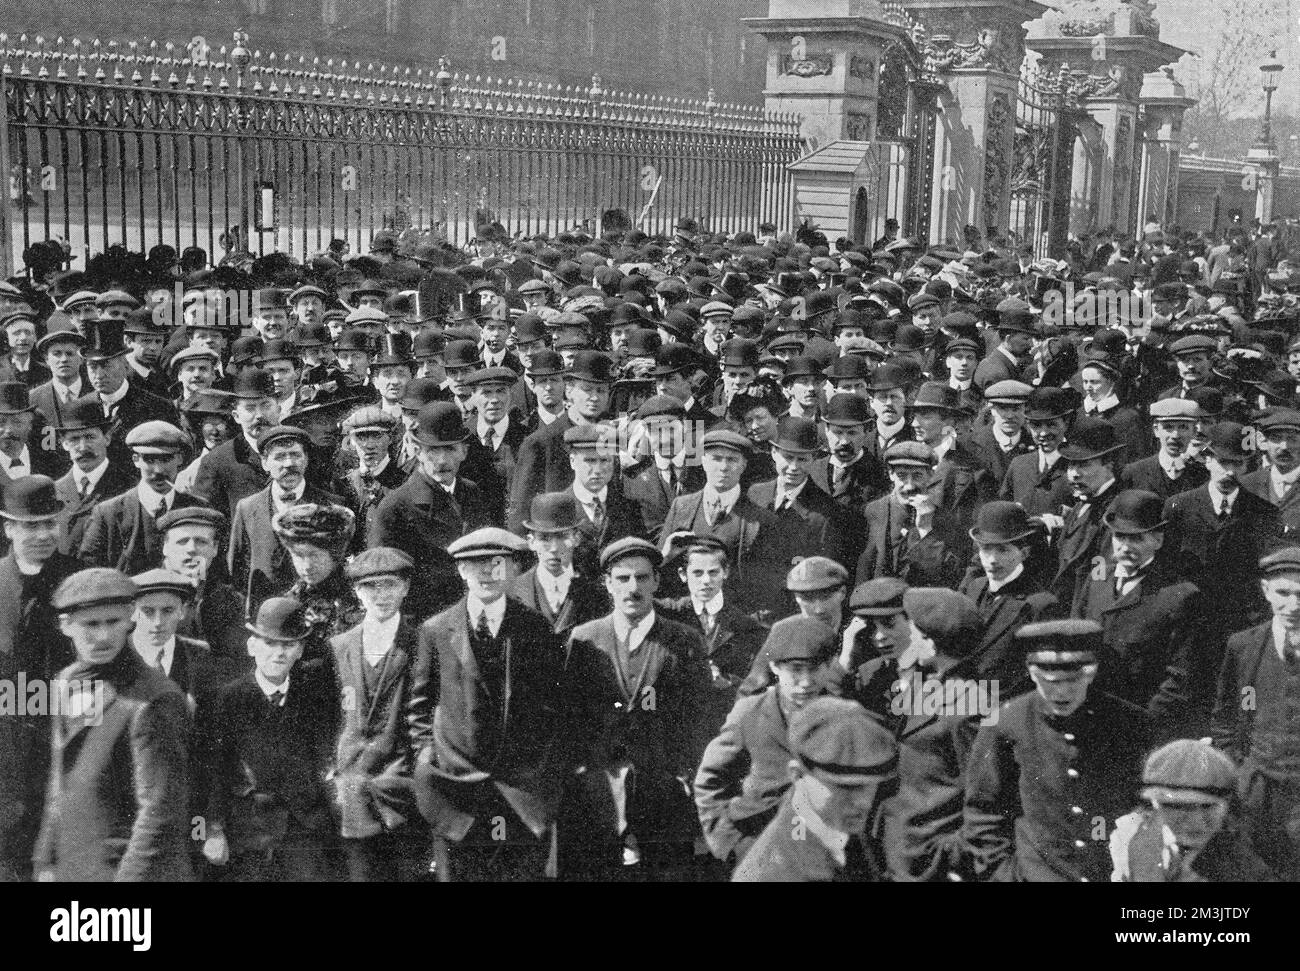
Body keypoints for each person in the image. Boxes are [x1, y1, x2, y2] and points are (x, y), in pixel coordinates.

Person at [410, 528, 569, 881]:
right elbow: (420, 703)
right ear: (461, 571)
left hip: (520, 784)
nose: (486, 573)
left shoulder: (534, 628)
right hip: (455, 784)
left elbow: (553, 705)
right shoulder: (436, 630)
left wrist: (540, 764)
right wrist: (427, 755)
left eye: (497, 563)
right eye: (474, 565)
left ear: (512, 569)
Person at [964, 619, 1152, 882]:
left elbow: (1146, 801)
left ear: (1092, 671)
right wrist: (1003, 874)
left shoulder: (1129, 721)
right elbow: (982, 811)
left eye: (1071, 681)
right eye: (1050, 681)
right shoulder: (1005, 722)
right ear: (1031, 672)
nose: (1061, 692)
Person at [564, 537, 711, 876]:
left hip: (663, 791)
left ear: (657, 582)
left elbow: (700, 716)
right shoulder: (585, 639)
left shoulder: (683, 640)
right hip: (599, 790)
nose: (633, 588)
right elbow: (571, 716)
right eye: (623, 579)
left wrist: (684, 774)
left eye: (642, 578)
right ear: (608, 584)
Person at [35, 568, 193, 881]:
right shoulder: (65, 682)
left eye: (113, 622)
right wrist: (46, 862)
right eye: (91, 624)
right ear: (66, 626)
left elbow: (160, 812)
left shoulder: (154, 699)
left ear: (129, 621)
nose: (104, 636)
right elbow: (60, 784)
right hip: (75, 866)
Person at [202, 597, 338, 882]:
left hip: (303, 828)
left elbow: (323, 757)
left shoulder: (313, 697)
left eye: (288, 646)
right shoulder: (226, 699)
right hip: (247, 829)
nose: (279, 654)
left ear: (300, 650)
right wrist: (212, 830)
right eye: (270, 644)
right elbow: (213, 770)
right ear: (252, 646)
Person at [694, 616, 838, 869]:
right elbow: (709, 780)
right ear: (774, 667)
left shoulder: (845, 715)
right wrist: (728, 843)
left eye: (814, 669)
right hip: (759, 841)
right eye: (794, 670)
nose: (805, 682)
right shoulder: (750, 713)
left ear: (829, 666)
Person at [0, 476, 79, 881]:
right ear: (8, 527)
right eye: (31, 525)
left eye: (51, 523)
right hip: (8, 755)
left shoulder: (81, 581)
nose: (45, 534)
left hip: (69, 744)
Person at [1072, 489, 1200, 739]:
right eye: (1120, 537)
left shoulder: (1179, 595)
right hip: (1089, 718)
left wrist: (1143, 725)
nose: (1126, 546)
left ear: (1158, 540)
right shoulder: (1097, 578)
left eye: (1137, 539)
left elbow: (1180, 678)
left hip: (1139, 725)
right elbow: (1075, 642)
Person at [331, 548, 426, 882]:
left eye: (390, 585)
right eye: (371, 587)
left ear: (405, 588)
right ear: (357, 592)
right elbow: (331, 720)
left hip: (402, 789)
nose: (381, 595)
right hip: (351, 789)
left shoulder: (422, 642)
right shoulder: (339, 647)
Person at [732, 695, 898, 882]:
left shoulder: (827, 821)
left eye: (869, 784)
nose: (862, 801)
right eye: (844, 787)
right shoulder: (779, 872)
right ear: (797, 775)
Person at [881, 588, 986, 882]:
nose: (910, 640)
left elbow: (983, 794)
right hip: (905, 847)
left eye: (915, 633)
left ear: (931, 642)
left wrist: (951, 856)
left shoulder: (969, 703)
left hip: (933, 859)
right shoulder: (930, 685)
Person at [1211, 546, 1300, 879]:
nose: (1294, 605)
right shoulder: (1243, 646)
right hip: (1256, 790)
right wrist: (1238, 769)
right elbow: (1225, 717)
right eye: (1283, 593)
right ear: (1265, 591)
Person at [370, 402, 493, 622]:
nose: (442, 461)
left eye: (450, 449)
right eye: (433, 450)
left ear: (464, 452)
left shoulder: (472, 492)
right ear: (417, 452)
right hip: (423, 626)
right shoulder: (394, 508)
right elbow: (384, 583)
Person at [1110, 739, 1276, 882]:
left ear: (1228, 803)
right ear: (1155, 805)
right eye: (1178, 806)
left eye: (1208, 807)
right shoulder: (1127, 843)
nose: (1196, 821)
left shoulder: (1249, 857)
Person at [656, 534, 768, 735]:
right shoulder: (669, 613)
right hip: (677, 729)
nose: (706, 581)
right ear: (683, 574)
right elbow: (628, 597)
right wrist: (662, 557)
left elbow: (760, 687)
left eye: (713, 572)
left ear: (726, 572)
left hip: (726, 728)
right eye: (697, 573)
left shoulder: (748, 625)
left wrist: (727, 682)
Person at [228, 425, 348, 608]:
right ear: (265, 462)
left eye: (295, 455)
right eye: (280, 457)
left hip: (315, 611)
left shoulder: (332, 506)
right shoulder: (247, 508)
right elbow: (236, 571)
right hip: (264, 614)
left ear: (306, 459)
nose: (288, 464)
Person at [78, 421, 207, 575]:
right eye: (149, 460)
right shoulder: (108, 513)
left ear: (179, 459)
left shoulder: (198, 510)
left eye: (166, 459)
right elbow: (89, 574)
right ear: (136, 460)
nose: (158, 470)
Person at [958, 501, 1056, 698]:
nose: (993, 559)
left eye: (1003, 550)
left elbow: (1034, 680)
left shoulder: (1039, 604)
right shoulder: (974, 587)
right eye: (986, 549)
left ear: (1024, 553)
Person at [510, 491, 609, 641]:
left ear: (576, 539)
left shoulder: (596, 595)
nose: (554, 548)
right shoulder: (513, 591)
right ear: (531, 542)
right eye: (544, 538)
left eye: (562, 536)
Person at [52, 398, 134, 555]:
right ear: (64, 444)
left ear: (107, 438)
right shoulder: (53, 491)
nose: (83, 447)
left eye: (90, 437)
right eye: (74, 439)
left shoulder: (129, 487)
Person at [1119, 398, 1208, 500]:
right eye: (1168, 427)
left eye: (1183, 427)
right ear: (1156, 430)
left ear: (1194, 431)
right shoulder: (1133, 473)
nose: (1175, 435)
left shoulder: (1204, 475)